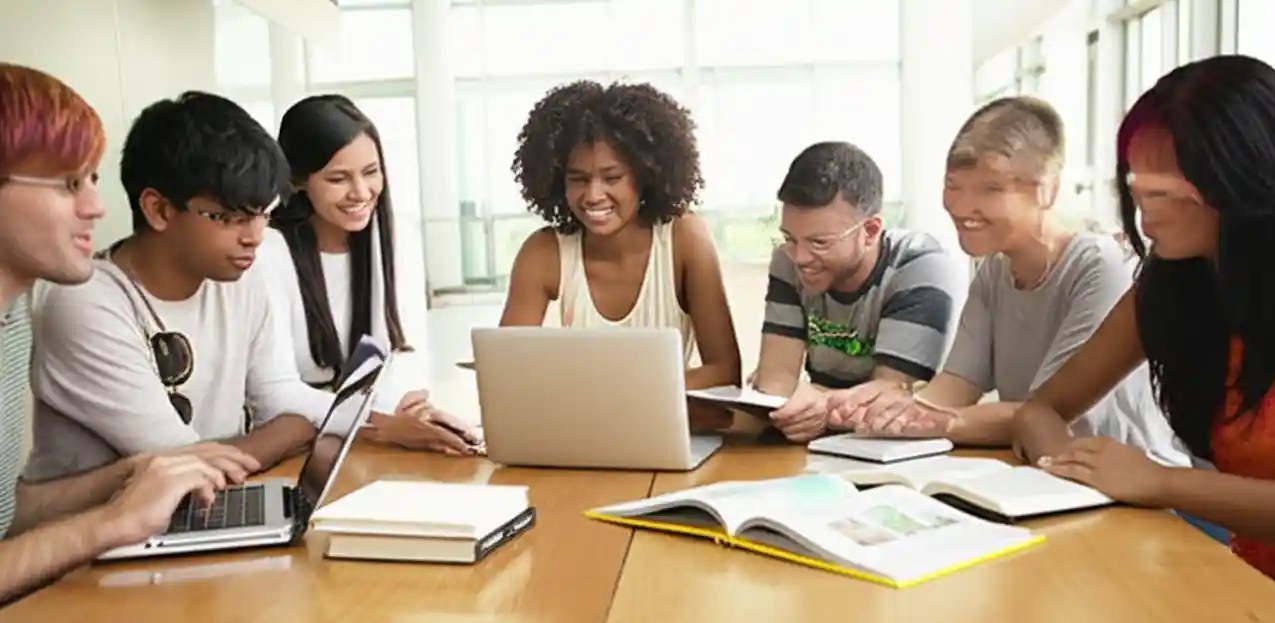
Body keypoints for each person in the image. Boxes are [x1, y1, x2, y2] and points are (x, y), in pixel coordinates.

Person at [1013, 55, 1275, 581]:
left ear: (1242, 183)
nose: (1144, 217)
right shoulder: (1174, 285)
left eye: (1163, 195)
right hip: (1246, 585)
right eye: (1136, 193)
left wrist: (1157, 482)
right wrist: (1070, 470)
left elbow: (1153, 481)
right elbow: (1040, 411)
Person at [0, 64, 251, 603]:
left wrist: (128, 476)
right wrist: (110, 523)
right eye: (70, 184)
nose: (96, 206)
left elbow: (7, 515)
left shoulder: (13, 320)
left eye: (92, 179)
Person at [826, 97, 1184, 465]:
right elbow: (955, 386)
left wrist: (928, 419)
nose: (963, 206)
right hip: (1041, 473)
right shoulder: (994, 269)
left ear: (1047, 189)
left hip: (1125, 489)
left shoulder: (1100, 266)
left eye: (991, 189)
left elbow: (1046, 414)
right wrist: (881, 407)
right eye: (954, 185)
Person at [24, 91, 335, 483]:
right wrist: (294, 429)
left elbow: (276, 395)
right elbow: (183, 467)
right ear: (159, 210)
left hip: (196, 514)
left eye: (263, 214)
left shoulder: (237, 275)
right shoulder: (84, 301)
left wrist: (309, 421)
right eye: (228, 217)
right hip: (97, 535)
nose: (254, 236)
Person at [258, 94, 478, 456]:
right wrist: (381, 424)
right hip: (299, 447)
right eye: (338, 178)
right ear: (297, 180)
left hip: (378, 440)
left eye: (371, 172)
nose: (361, 192)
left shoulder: (396, 237)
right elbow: (274, 394)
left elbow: (407, 352)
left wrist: (405, 416)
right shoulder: (268, 252)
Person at [499, 80, 741, 391]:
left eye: (612, 178)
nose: (593, 195)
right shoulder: (543, 252)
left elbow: (725, 373)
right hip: (583, 429)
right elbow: (504, 372)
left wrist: (616, 390)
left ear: (645, 175)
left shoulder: (684, 238)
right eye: (578, 179)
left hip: (667, 429)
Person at [753, 141, 968, 443]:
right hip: (825, 448)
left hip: (909, 449)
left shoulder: (920, 266)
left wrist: (810, 400)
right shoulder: (788, 260)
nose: (800, 257)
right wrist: (795, 399)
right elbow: (774, 384)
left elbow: (885, 405)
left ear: (869, 232)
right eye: (790, 237)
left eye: (820, 243)